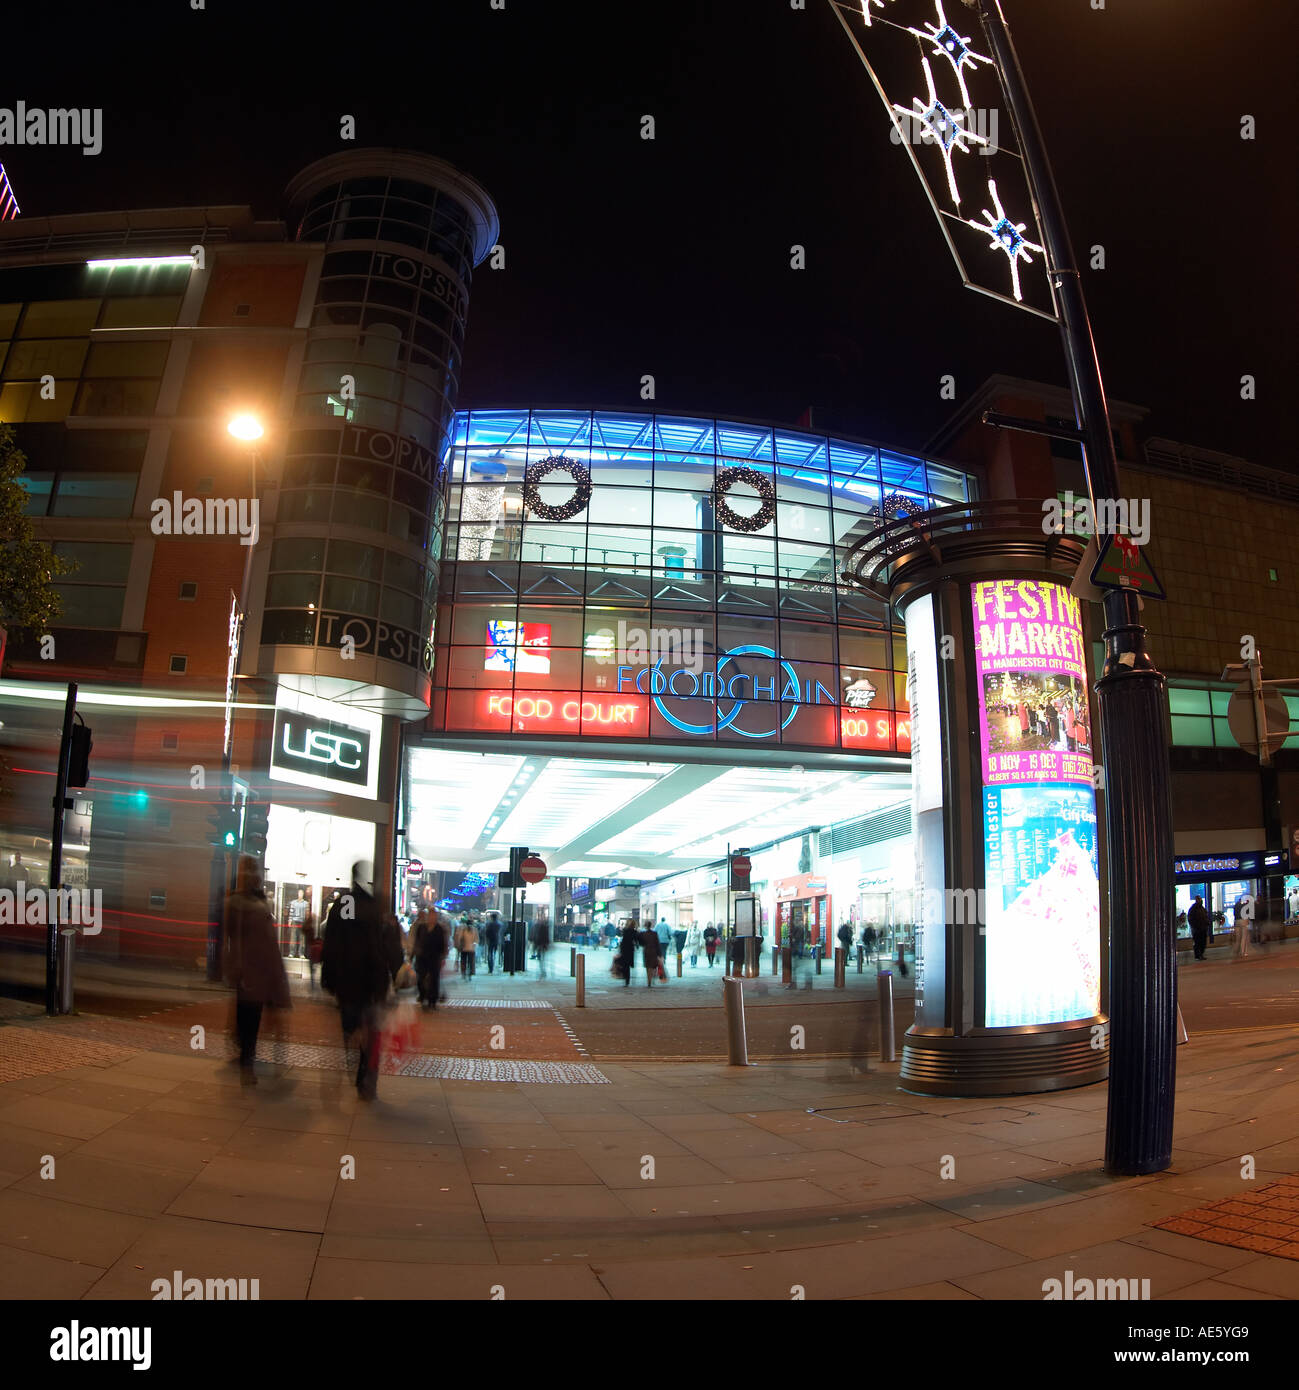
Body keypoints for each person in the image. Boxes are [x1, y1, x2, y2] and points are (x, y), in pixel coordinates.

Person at [321, 861, 402, 1100]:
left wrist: (329, 976)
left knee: (351, 1026)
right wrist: (398, 974)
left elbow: (331, 944)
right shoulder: (378, 907)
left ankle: (356, 1066)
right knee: (372, 1030)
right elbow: (390, 945)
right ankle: (366, 1079)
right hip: (373, 981)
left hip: (347, 980)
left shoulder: (343, 905)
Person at [223, 856, 290, 1086]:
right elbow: (232, 937)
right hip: (251, 971)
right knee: (248, 1018)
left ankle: (246, 1059)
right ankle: (246, 1061)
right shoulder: (238, 903)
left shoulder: (252, 903)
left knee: (250, 1018)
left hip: (260, 970)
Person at [413, 910, 449, 1009]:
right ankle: (423, 995)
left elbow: (443, 943)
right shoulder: (421, 927)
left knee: (434, 979)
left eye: (434, 916)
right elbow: (417, 941)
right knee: (421, 978)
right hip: (422, 957)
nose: (432, 918)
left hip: (434, 957)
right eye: (430, 916)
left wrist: (442, 955)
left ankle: (432, 1000)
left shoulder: (439, 929)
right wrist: (414, 953)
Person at [1187, 896, 1210, 961]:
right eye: (1199, 899)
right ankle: (1198, 956)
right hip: (1197, 929)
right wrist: (1195, 926)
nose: (1200, 901)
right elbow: (1190, 919)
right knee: (1197, 943)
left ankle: (1201, 954)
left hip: (1203, 929)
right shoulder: (1193, 909)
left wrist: (1207, 923)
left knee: (1203, 943)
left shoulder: (1202, 908)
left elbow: (1206, 916)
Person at [616, 922, 638, 986]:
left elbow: (623, 940)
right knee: (628, 965)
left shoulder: (625, 931)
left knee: (625, 965)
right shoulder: (634, 932)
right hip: (630, 949)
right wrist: (637, 945)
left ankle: (626, 979)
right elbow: (636, 940)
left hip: (624, 949)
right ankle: (627, 979)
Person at [533, 913, 550, 978]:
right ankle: (542, 970)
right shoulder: (545, 927)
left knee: (541, 958)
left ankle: (542, 970)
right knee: (542, 958)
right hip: (542, 944)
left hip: (541, 944)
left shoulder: (540, 927)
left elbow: (538, 936)